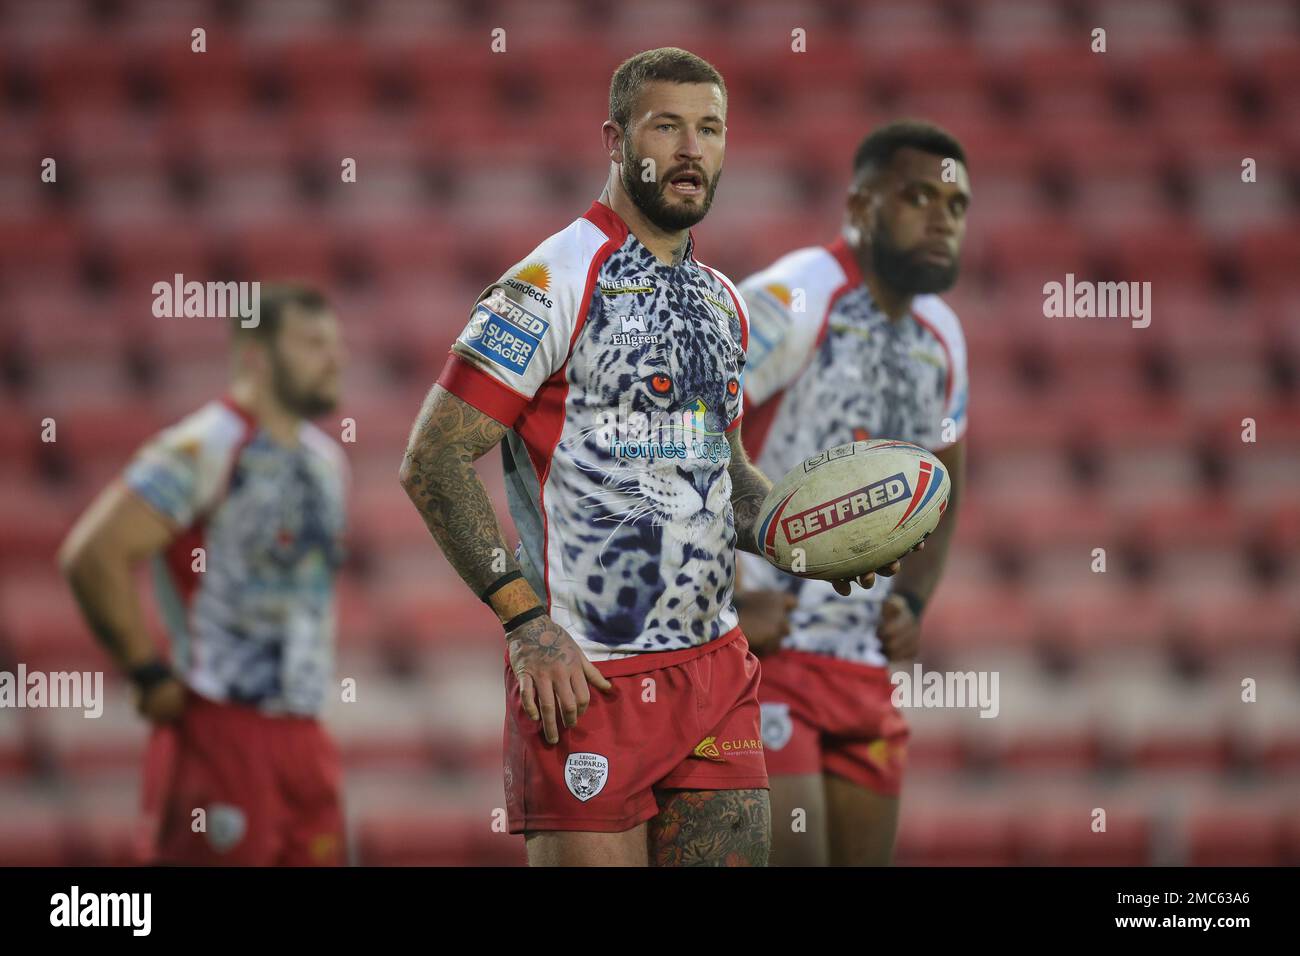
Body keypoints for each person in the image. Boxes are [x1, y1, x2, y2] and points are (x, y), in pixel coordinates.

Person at [399, 48, 899, 867]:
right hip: (585, 682)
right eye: (666, 127)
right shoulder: (546, 283)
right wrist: (526, 625)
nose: (691, 150)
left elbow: (726, 475)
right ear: (615, 139)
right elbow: (433, 463)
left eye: (709, 129)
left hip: (716, 673)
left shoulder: (724, 302)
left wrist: (803, 534)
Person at [735, 120, 972, 866]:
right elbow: (681, 427)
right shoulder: (794, 298)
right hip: (766, 656)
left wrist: (913, 600)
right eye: (917, 196)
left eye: (957, 205)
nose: (941, 218)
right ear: (861, 204)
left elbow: (946, 483)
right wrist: (727, 595)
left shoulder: (943, 336)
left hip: (862, 662)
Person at [59, 284, 350, 865]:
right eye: (313, 343)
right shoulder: (200, 446)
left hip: (306, 731)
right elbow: (93, 555)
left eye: (335, 344)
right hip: (220, 729)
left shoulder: (326, 462)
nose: (334, 358)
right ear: (257, 355)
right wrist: (146, 673)